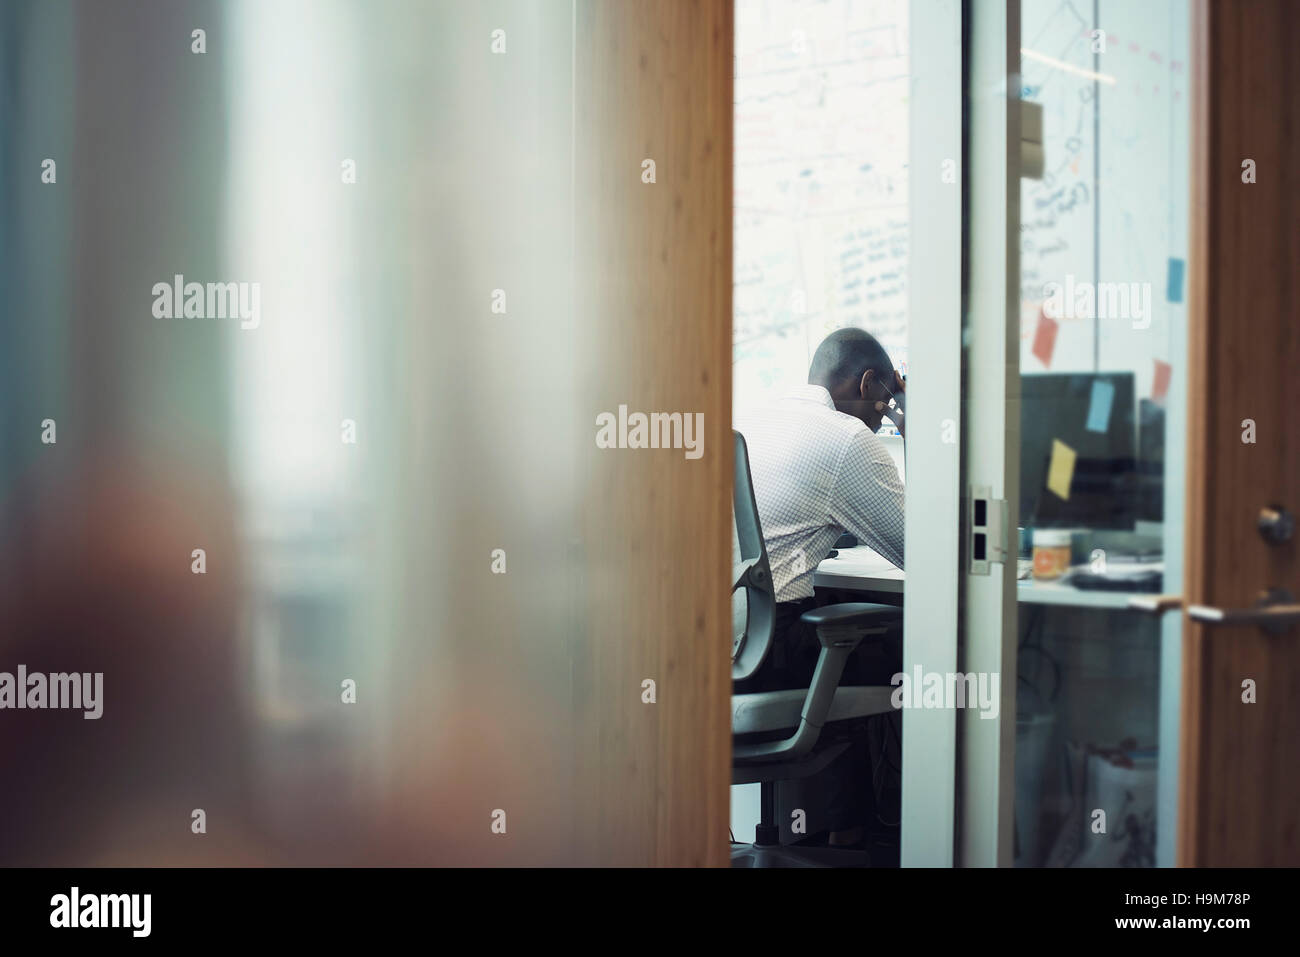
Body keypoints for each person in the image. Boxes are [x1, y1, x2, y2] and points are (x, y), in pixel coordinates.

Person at [734, 327, 906, 847]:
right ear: (869, 381)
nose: (884, 419)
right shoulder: (847, 439)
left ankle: (829, 835)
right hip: (762, 659)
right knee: (905, 649)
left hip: (704, 656)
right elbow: (929, 554)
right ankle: (865, 842)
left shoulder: (747, 420)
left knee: (840, 623)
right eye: (885, 404)